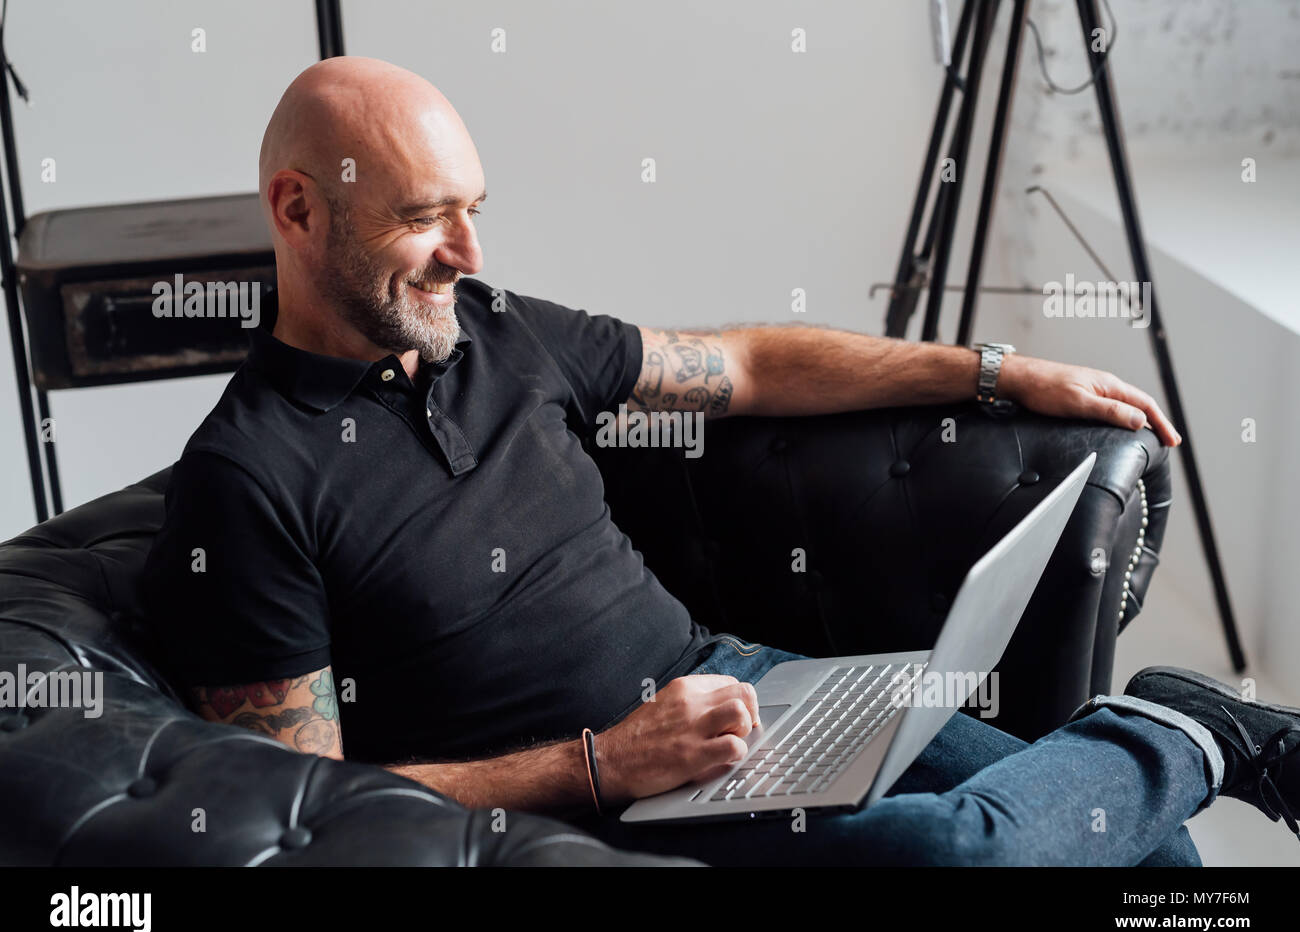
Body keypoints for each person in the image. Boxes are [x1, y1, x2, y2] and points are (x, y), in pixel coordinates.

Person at [142, 57, 1297, 865]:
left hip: (739, 684)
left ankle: (1178, 741)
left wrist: (996, 373)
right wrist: (602, 762)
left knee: (1145, 838)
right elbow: (301, 805)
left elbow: (743, 364)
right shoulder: (246, 485)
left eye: (474, 208)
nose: (468, 250)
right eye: (423, 218)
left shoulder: (497, 327)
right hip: (605, 792)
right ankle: (1196, 726)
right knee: (953, 855)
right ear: (298, 209)